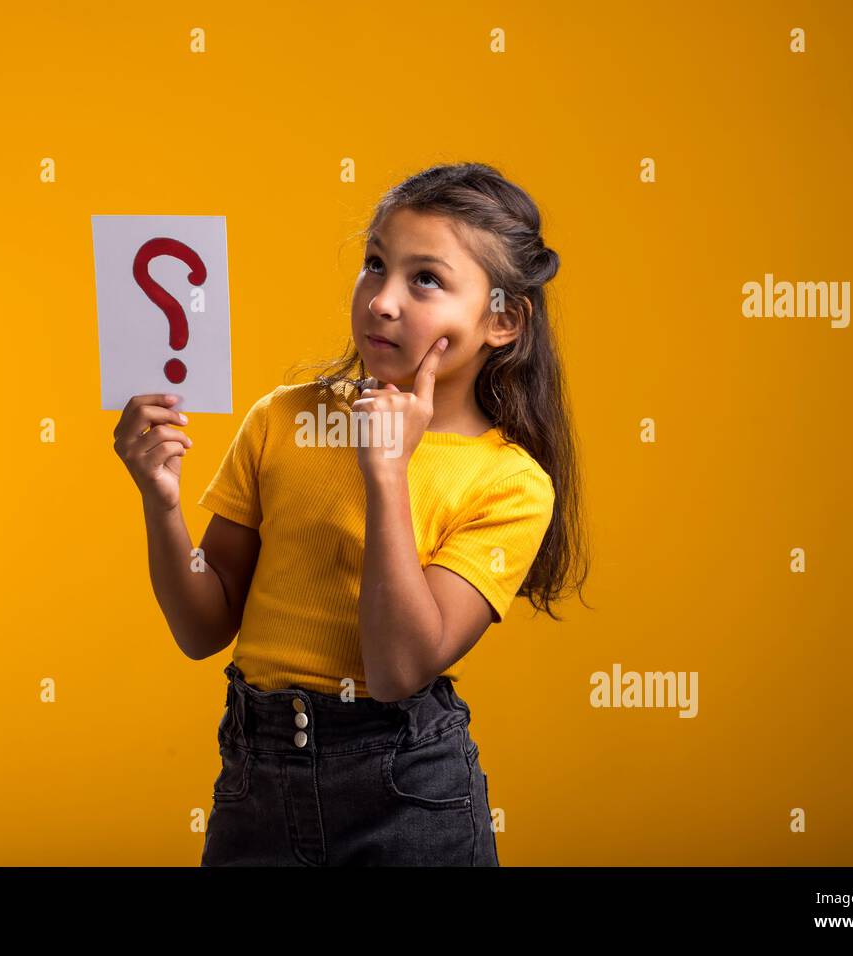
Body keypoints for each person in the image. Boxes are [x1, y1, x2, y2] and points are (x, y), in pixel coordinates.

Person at [114, 161, 591, 865]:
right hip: (256, 779)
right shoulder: (283, 420)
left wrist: (387, 471)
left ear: (502, 319)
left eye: (425, 278)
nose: (382, 300)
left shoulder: (512, 485)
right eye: (375, 264)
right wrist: (160, 500)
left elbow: (399, 669)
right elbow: (201, 626)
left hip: (407, 795)